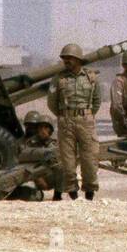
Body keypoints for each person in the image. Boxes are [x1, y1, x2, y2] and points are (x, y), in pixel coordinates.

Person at [46, 43, 103, 200]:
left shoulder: (91, 78)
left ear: (78, 59)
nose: (66, 61)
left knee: (90, 160)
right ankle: (73, 194)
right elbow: (52, 103)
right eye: (64, 58)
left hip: (86, 122)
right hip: (66, 122)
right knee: (68, 162)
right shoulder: (58, 79)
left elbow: (97, 101)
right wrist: (65, 115)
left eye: (69, 58)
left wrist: (87, 115)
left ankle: (90, 193)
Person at [17, 110, 63, 201]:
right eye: (40, 127)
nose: (43, 130)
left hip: (50, 176)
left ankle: (58, 195)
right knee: (33, 196)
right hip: (33, 176)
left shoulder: (55, 143)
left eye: (46, 128)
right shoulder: (28, 143)